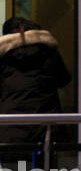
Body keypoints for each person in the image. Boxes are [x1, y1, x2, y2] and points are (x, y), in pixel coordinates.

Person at [0, 17, 73, 145]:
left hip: (12, 128)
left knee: (16, 164)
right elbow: (63, 80)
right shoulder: (48, 51)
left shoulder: (4, 56)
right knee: (46, 163)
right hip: (47, 128)